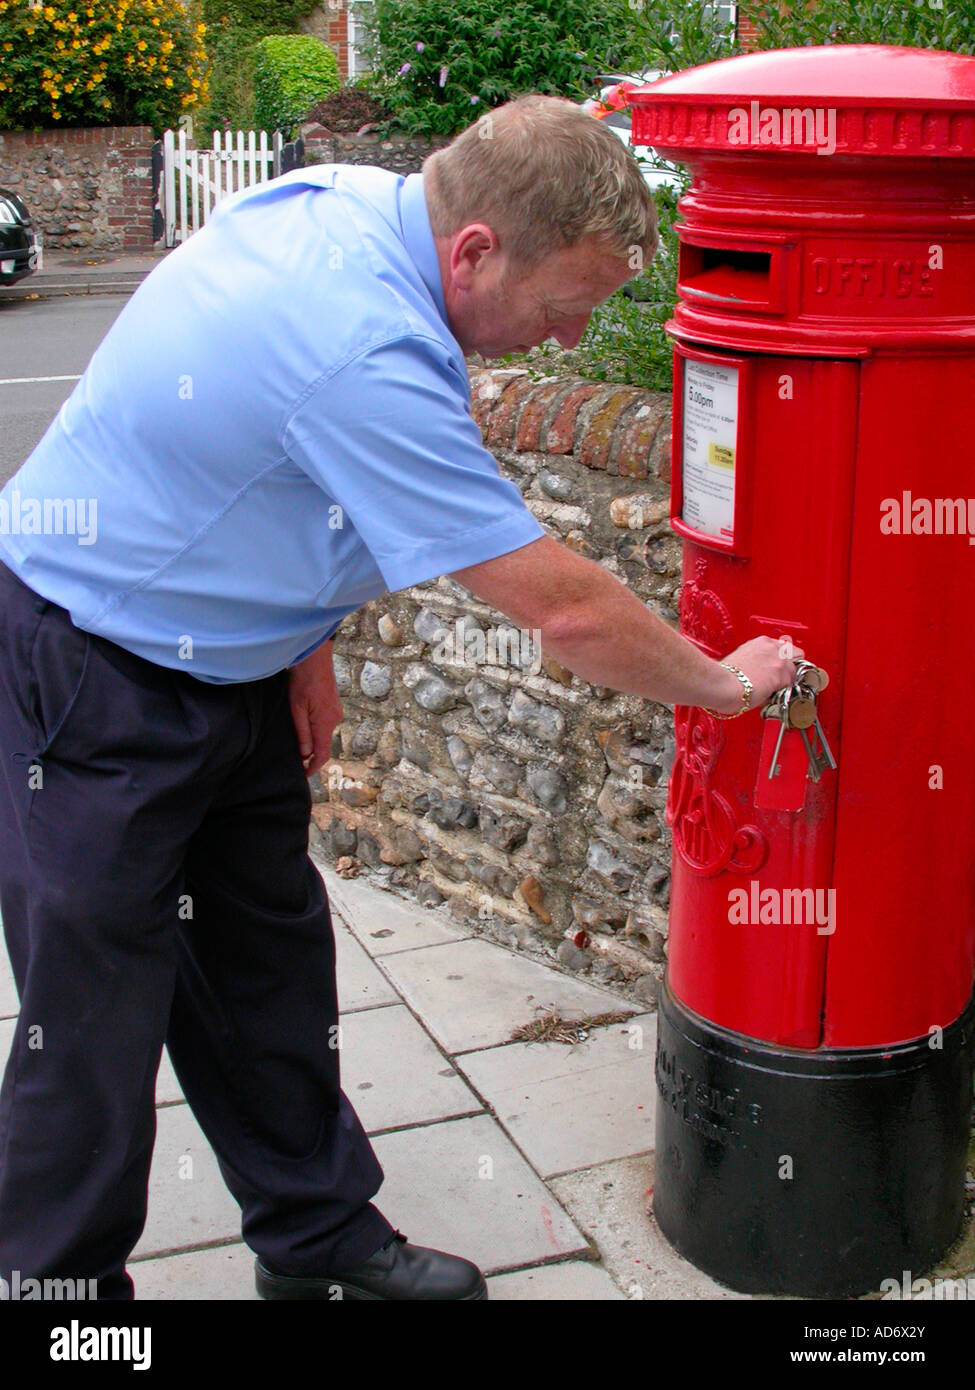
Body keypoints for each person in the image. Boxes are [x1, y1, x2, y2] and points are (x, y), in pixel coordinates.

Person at [0, 93, 799, 1303]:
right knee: (92, 1025)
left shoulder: (352, 208)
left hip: (223, 661)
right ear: (476, 248)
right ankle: (59, 1301)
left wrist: (301, 639)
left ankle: (320, 1247)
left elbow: (263, 461)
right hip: (91, 676)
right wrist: (723, 687)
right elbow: (564, 606)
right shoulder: (359, 340)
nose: (571, 345)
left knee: (268, 970)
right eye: (563, 307)